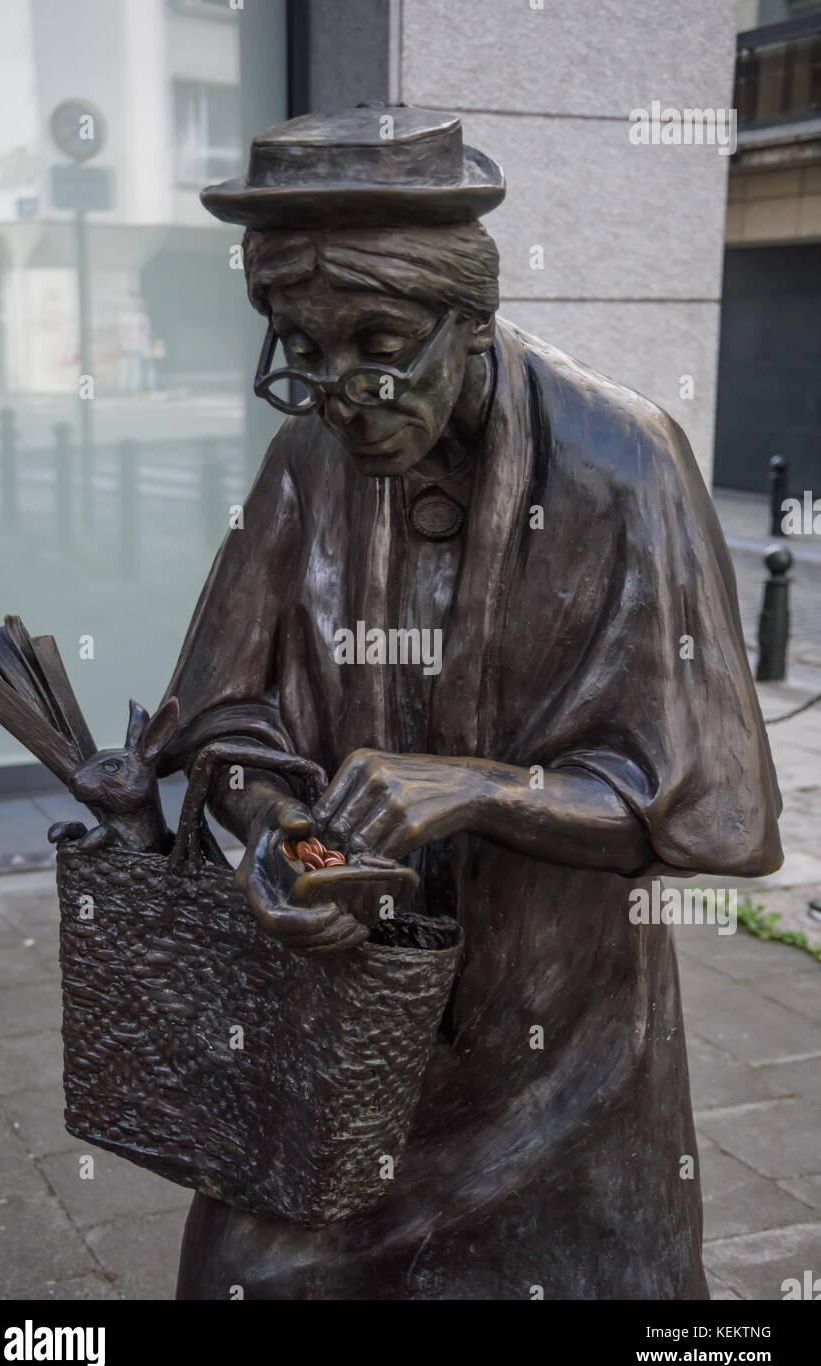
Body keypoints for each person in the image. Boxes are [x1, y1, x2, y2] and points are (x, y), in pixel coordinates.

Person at [156, 105, 782, 1300]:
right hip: (344, 1037)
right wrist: (280, 838)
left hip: (566, 1051)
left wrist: (486, 792)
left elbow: (719, 810)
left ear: (473, 319)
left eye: (379, 342)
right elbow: (221, 726)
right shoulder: (305, 463)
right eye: (303, 348)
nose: (341, 393)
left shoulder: (627, 460)